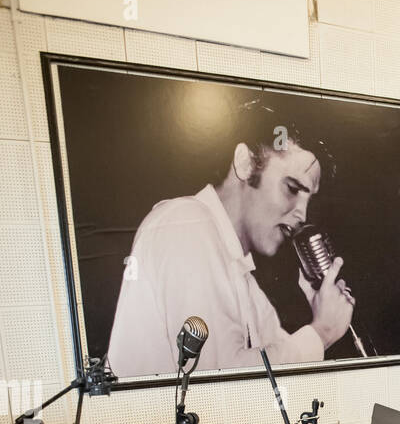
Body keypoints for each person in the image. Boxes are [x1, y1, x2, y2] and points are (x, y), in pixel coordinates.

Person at [108, 105, 354, 377]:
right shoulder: (187, 225)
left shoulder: (241, 275)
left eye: (309, 199)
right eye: (292, 189)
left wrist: (323, 314)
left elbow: (281, 365)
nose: (302, 215)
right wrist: (321, 333)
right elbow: (219, 376)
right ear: (245, 163)